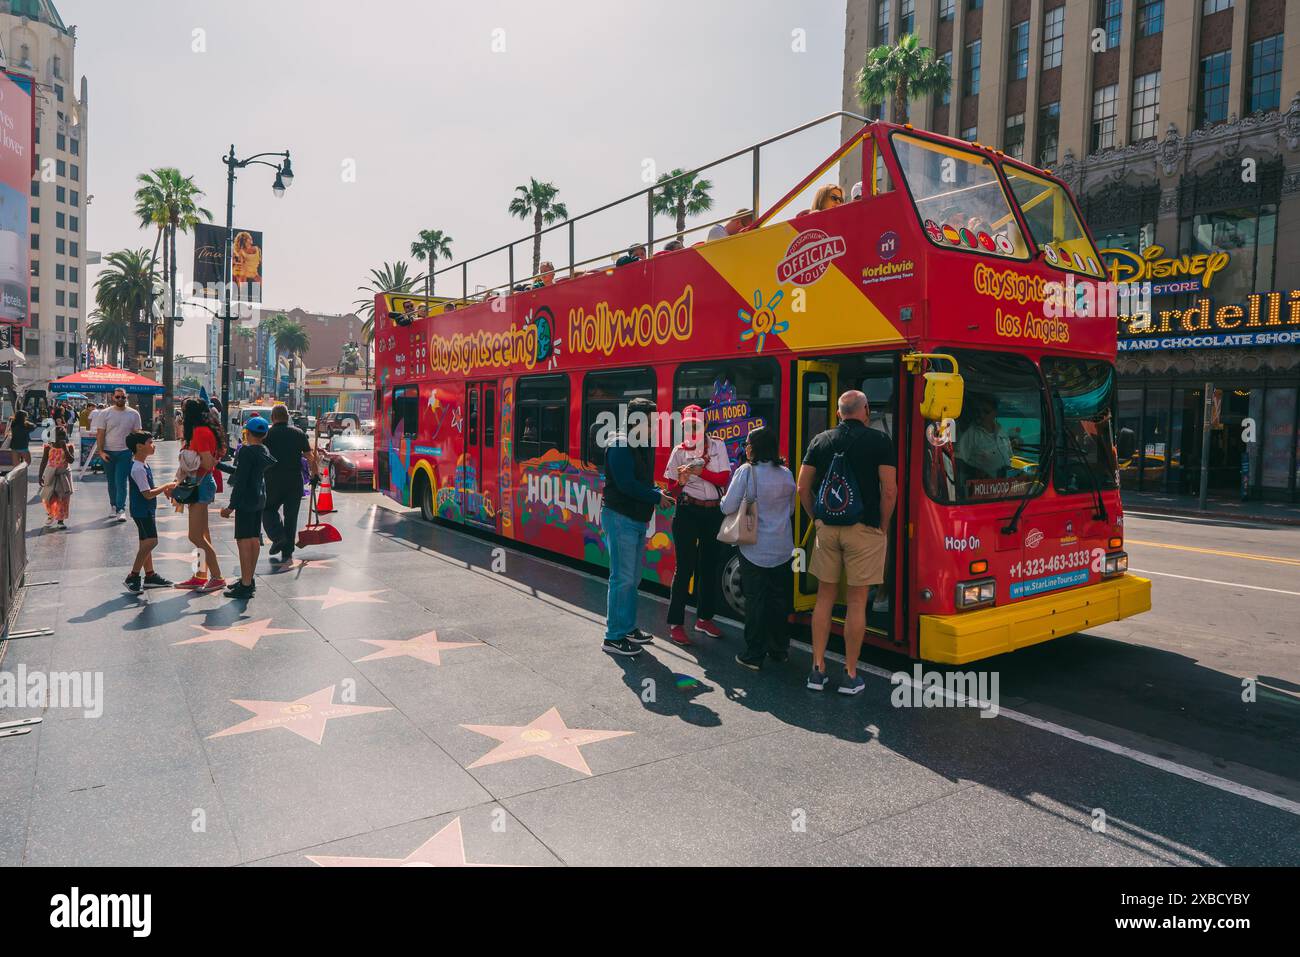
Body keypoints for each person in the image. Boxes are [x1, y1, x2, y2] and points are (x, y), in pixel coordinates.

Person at [797, 390, 896, 695]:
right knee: (856, 600)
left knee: (824, 597)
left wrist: (817, 518)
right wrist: (882, 524)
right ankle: (850, 675)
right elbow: (889, 490)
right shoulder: (880, 442)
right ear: (866, 410)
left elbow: (802, 486)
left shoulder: (821, 440)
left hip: (828, 528)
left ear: (839, 413)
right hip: (863, 529)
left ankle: (817, 670)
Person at [601, 396, 674, 657]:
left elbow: (641, 482)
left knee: (633, 578)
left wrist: (659, 491)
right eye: (652, 420)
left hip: (635, 519)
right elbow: (626, 485)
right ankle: (613, 636)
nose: (656, 424)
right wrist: (656, 497)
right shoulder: (620, 444)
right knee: (622, 578)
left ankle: (628, 628)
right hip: (620, 518)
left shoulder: (641, 443)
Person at [723, 426, 796, 670]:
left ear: (754, 448)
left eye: (747, 444)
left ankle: (753, 654)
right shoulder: (786, 473)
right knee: (778, 599)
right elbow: (791, 510)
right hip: (782, 547)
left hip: (754, 547)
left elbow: (727, 506)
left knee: (756, 600)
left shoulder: (746, 471)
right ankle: (779, 649)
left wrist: (723, 498)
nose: (745, 447)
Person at [663, 405, 731, 645]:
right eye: (687, 426)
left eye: (696, 425)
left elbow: (724, 477)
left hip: (713, 511)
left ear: (705, 426)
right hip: (687, 511)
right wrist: (681, 480)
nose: (691, 430)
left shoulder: (718, 446)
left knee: (709, 567)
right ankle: (676, 623)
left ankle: (704, 619)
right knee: (685, 568)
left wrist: (698, 471)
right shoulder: (679, 451)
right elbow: (672, 488)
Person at [219, 415, 276, 599]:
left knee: (244, 541)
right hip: (259, 498)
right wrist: (220, 466)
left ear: (247, 433)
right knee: (253, 538)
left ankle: (245, 584)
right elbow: (244, 472)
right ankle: (248, 579)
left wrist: (231, 507)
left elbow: (241, 481)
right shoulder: (263, 450)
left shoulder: (245, 451)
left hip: (245, 500)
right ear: (264, 434)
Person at [176, 397, 226, 592]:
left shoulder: (199, 432)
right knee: (203, 534)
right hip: (202, 483)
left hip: (200, 483)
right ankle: (201, 574)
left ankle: (217, 576)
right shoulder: (205, 430)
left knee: (195, 536)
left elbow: (206, 463)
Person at [262, 404, 318, 563]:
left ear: (273, 418)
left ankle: (278, 536)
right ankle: (288, 550)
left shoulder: (267, 434)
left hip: (273, 480)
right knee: (291, 516)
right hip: (294, 481)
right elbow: (310, 457)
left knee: (268, 509)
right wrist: (315, 474)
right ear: (287, 417)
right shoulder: (298, 433)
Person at [124, 430, 177, 593]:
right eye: (150, 443)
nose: (153, 446)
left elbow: (148, 489)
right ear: (140, 447)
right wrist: (166, 486)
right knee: (151, 542)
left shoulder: (142, 465)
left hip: (145, 509)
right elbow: (147, 494)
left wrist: (163, 488)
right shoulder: (138, 468)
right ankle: (133, 576)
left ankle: (150, 575)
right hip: (142, 510)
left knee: (145, 543)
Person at [94, 388, 142, 522]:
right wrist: (101, 451)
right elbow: (100, 434)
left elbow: (138, 434)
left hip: (125, 452)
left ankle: (121, 508)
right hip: (108, 452)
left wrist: (136, 453)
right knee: (111, 482)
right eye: (118, 397)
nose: (120, 399)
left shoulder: (133, 414)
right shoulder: (105, 413)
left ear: (126, 398)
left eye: (123, 397)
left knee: (121, 481)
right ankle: (113, 506)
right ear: (113, 397)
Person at [955, 394, 1017, 479]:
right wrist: (976, 471)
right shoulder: (971, 434)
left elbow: (1010, 457)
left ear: (995, 413)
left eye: (986, 411)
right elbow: (957, 460)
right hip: (982, 488)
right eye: (979, 411)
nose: (982, 415)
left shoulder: (1001, 431)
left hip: (1005, 486)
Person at [38, 427, 75, 529]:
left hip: (64, 475)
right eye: (59, 435)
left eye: (63, 435)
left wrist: (65, 449)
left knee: (63, 497)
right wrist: (40, 475)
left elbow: (71, 460)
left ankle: (60, 520)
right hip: (51, 475)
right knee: (49, 496)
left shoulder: (69, 447)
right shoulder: (48, 448)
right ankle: (50, 514)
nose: (61, 438)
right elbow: (44, 461)